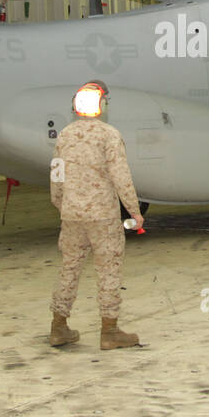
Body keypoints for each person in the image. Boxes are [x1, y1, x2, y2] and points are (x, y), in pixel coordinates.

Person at [48, 81, 144, 350]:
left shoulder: (65, 135)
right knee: (108, 270)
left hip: (71, 216)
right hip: (102, 217)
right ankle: (109, 332)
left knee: (69, 268)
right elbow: (121, 177)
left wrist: (60, 203)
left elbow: (56, 174)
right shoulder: (109, 135)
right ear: (101, 105)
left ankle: (58, 327)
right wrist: (135, 212)